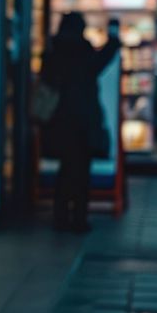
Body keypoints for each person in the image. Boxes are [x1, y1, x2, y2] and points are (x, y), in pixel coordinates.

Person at [41, 13, 121, 232]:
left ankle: (60, 216)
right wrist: (113, 35)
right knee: (81, 172)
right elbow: (103, 59)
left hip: (58, 120)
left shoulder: (52, 52)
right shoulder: (83, 52)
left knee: (64, 170)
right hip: (83, 120)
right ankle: (78, 217)